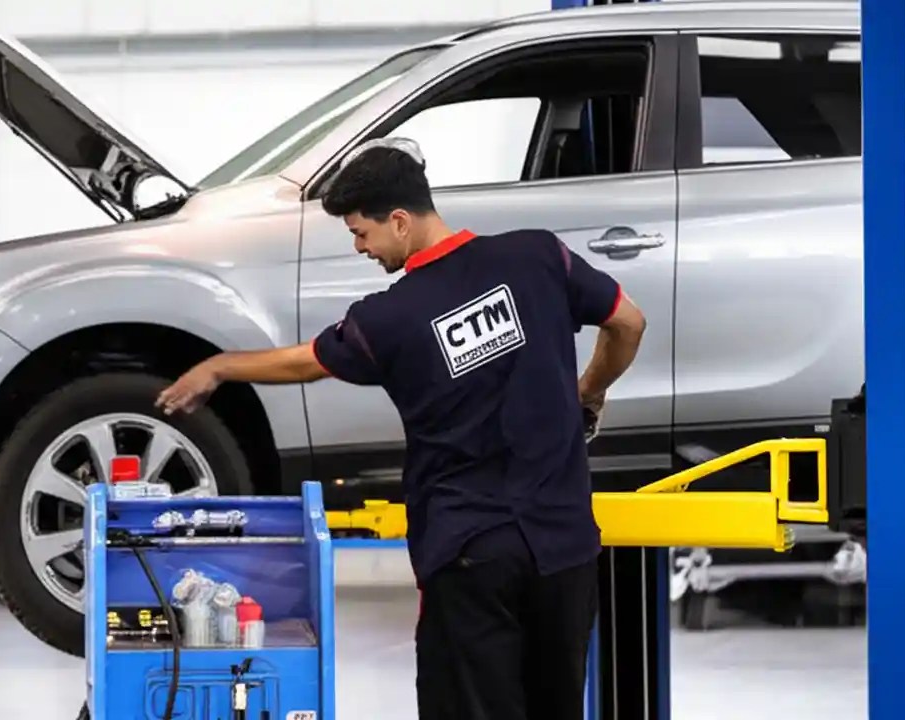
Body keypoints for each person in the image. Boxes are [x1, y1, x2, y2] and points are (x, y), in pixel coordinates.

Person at [155, 137, 647, 719]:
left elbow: (305, 362)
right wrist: (586, 392)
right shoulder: (539, 257)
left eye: (361, 233)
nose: (361, 248)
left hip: (469, 558)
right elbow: (628, 322)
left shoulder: (388, 319)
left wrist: (218, 367)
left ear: (399, 221)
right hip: (563, 549)